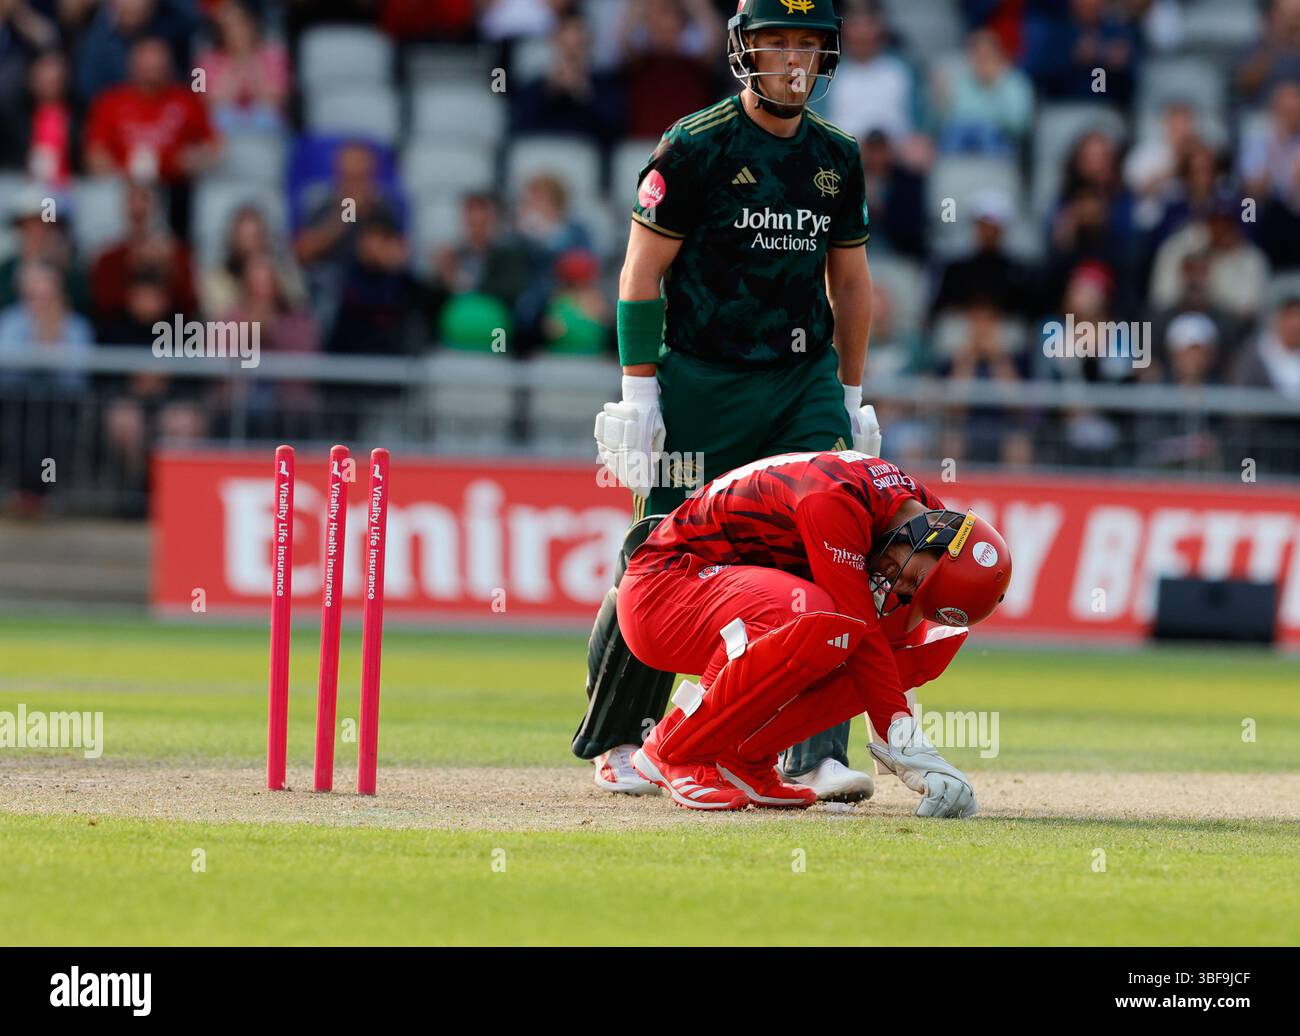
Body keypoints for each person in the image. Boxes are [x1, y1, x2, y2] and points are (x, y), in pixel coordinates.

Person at [577, 0, 886, 804]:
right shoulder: (695, 144)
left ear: (827, 58)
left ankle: (807, 750)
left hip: (799, 382)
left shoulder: (837, 156)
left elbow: (850, 286)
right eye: (775, 42)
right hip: (701, 381)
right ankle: (618, 734)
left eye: (807, 44)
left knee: (830, 544)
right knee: (659, 550)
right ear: (744, 50)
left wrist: (850, 395)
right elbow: (639, 275)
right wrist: (638, 393)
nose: (792, 59)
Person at [618, 449, 1011, 814]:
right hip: (661, 590)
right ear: (934, 536)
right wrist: (904, 741)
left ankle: (744, 759)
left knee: (907, 649)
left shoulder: (922, 520)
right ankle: (674, 749)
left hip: (714, 594)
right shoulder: (834, 498)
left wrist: (911, 748)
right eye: (916, 580)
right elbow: (858, 627)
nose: (902, 589)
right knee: (817, 613)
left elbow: (890, 643)